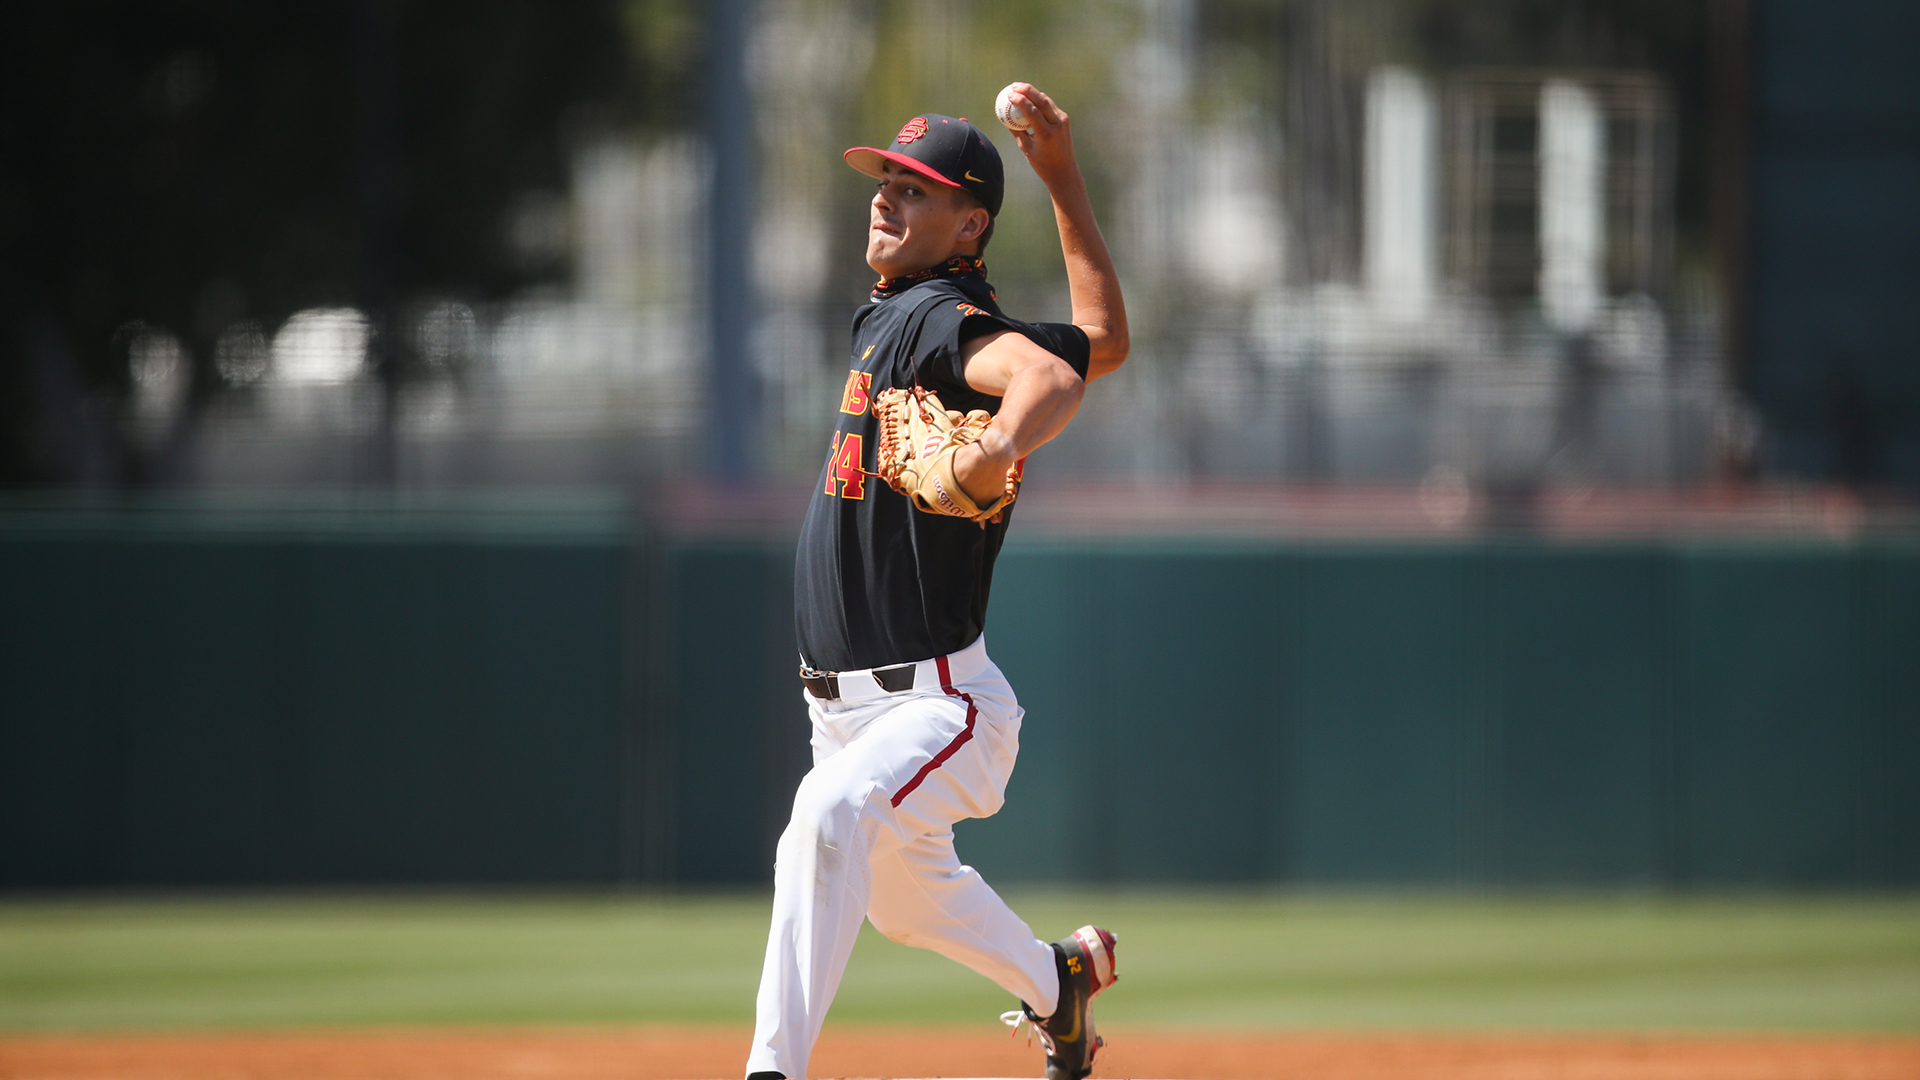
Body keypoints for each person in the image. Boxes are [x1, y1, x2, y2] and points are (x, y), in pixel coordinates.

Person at [744, 84, 1128, 1080]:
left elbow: (1055, 379)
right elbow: (1108, 341)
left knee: (827, 816)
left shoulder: (929, 317)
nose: (887, 198)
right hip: (845, 711)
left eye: (916, 190)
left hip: (939, 703)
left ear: (969, 224)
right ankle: (1059, 985)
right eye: (887, 180)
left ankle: (768, 1073)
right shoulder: (895, 318)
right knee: (910, 906)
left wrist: (996, 445)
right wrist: (1064, 177)